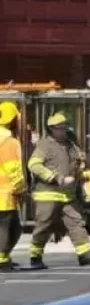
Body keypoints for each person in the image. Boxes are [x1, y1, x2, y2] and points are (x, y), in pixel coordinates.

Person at [26, 112, 90, 268]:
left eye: (65, 128)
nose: (63, 131)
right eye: (59, 128)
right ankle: (35, 257)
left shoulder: (71, 145)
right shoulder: (45, 145)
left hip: (68, 195)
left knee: (75, 222)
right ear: (52, 129)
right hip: (47, 194)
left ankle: (84, 254)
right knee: (43, 226)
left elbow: (78, 164)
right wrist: (55, 177)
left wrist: (82, 166)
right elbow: (34, 165)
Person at [0, 101, 26, 272]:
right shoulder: (8, 142)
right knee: (9, 227)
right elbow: (13, 169)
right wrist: (20, 189)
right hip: (5, 193)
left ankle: (5, 258)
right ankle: (2, 259)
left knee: (12, 227)